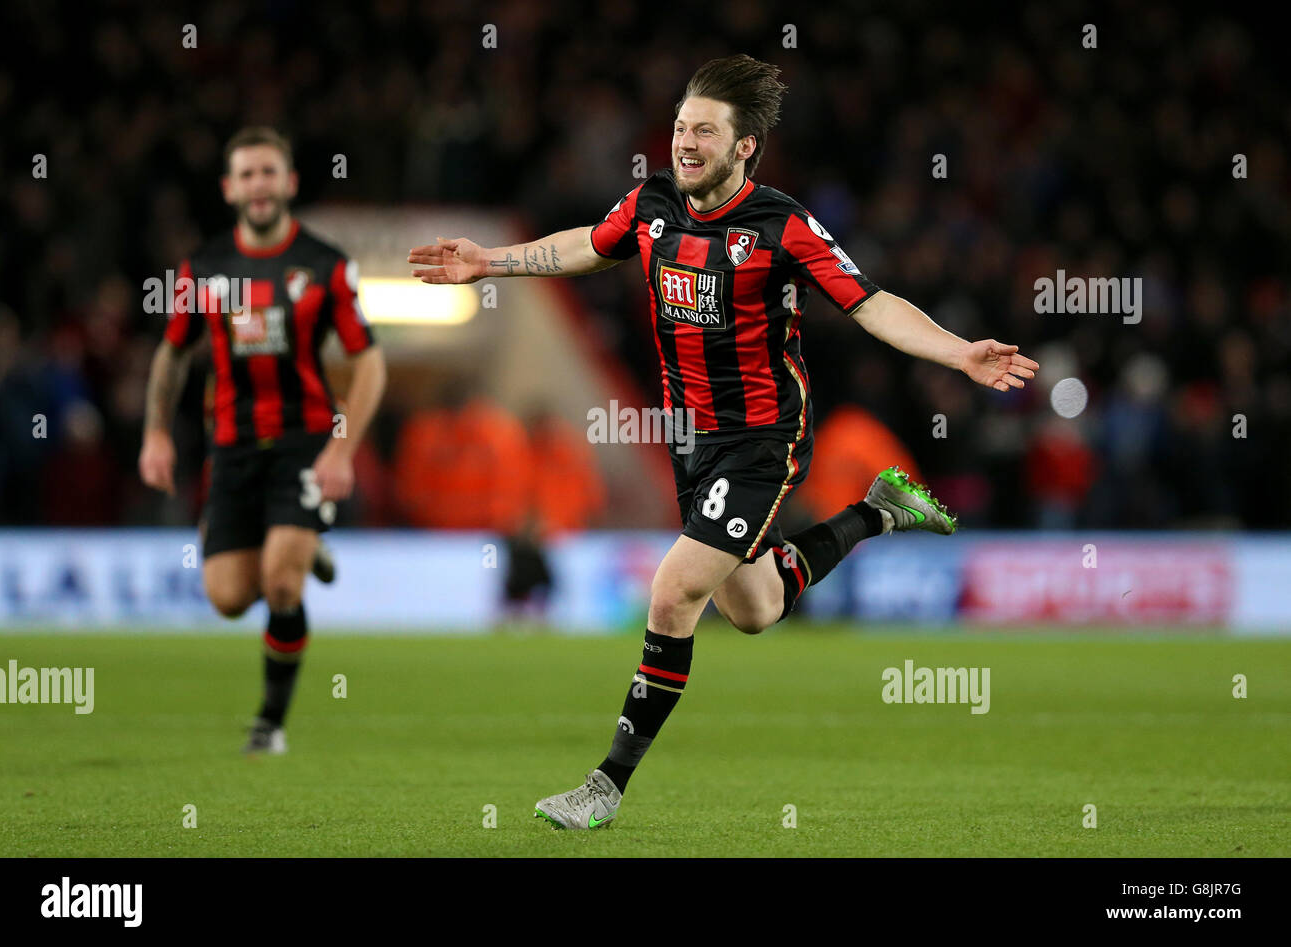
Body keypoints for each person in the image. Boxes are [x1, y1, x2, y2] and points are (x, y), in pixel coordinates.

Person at [407, 55, 1037, 829]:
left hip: (764, 439)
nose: (685, 142)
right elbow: (585, 244)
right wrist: (489, 263)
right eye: (679, 127)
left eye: (704, 130)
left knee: (673, 592)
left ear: (744, 147)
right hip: (691, 439)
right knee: (755, 606)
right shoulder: (651, 204)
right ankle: (878, 511)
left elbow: (870, 304)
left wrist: (957, 351)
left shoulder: (783, 227)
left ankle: (604, 784)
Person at [139, 127, 386, 754]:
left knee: (280, 585)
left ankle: (269, 723)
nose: (258, 185)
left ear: (290, 183)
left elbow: (370, 363)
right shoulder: (204, 268)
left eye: (268, 172)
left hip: (303, 439)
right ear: (229, 188)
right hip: (232, 447)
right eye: (246, 175)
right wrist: (156, 435)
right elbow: (171, 357)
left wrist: (341, 450)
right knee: (226, 598)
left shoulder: (327, 265)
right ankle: (304, 545)